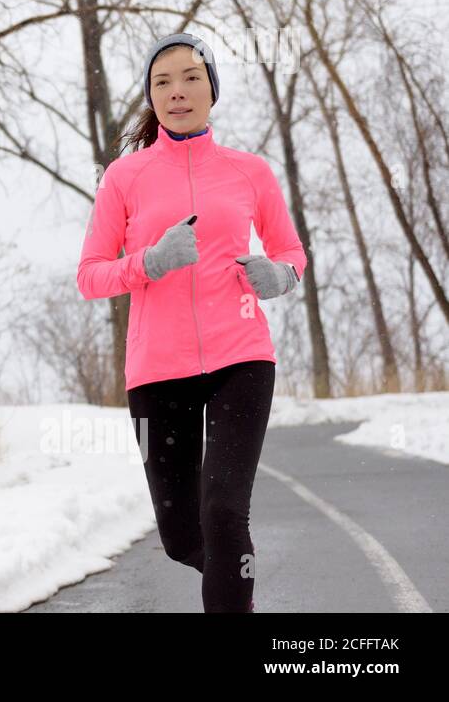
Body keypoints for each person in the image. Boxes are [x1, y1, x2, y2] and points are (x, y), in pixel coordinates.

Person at [76, 32, 308, 613]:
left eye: (191, 78)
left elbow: (291, 252)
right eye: (162, 82)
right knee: (183, 536)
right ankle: (236, 588)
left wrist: (280, 277)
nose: (177, 91)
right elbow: (90, 275)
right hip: (158, 367)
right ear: (152, 99)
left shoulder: (249, 171)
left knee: (224, 510)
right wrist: (148, 263)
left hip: (242, 357)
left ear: (211, 89)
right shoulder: (123, 179)